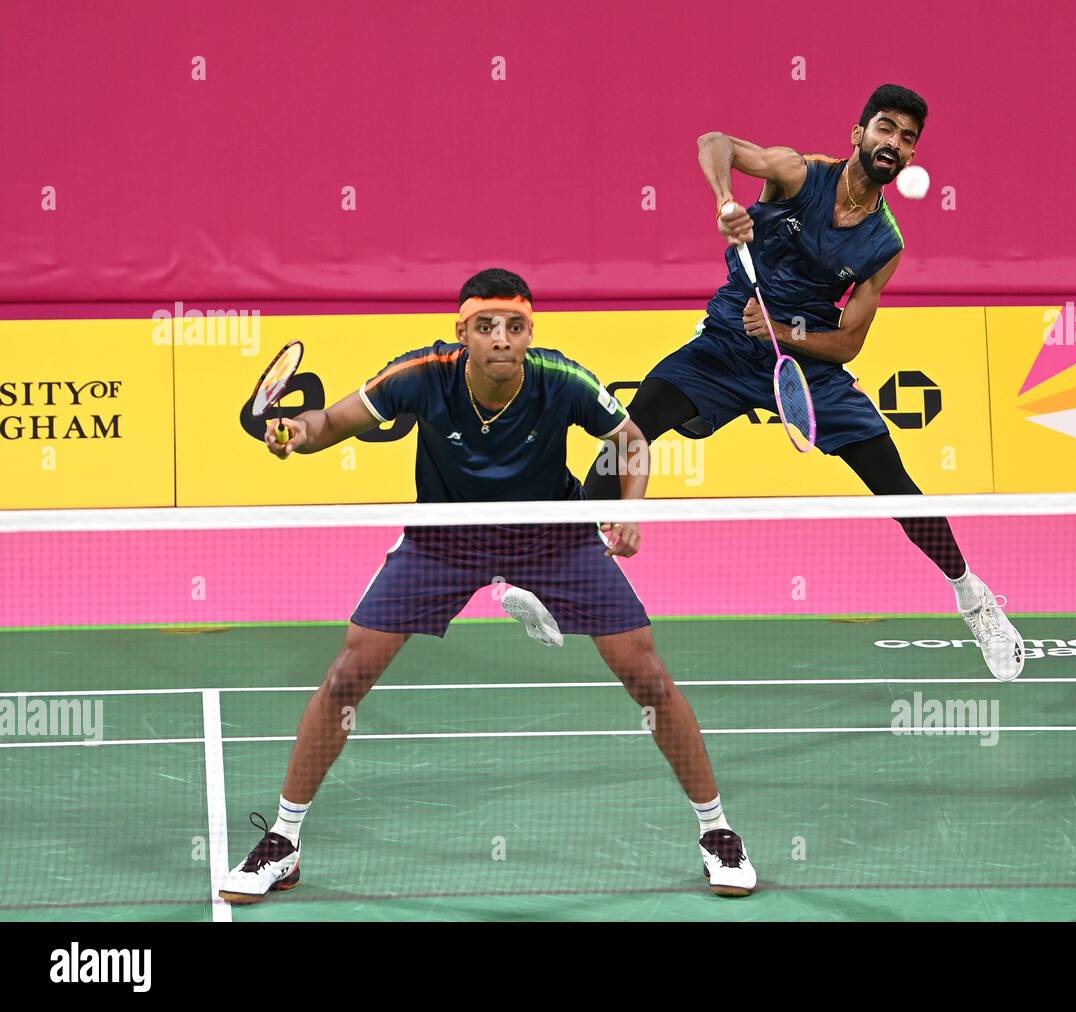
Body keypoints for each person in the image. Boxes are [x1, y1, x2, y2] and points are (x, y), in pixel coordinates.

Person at [220, 268, 756, 902]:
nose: (501, 337)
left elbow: (630, 441)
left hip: (554, 537)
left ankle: (717, 831)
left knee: (648, 676)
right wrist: (295, 433)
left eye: (514, 326)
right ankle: (283, 841)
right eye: (486, 326)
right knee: (346, 676)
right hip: (445, 538)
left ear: (530, 332)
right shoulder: (420, 375)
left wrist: (629, 509)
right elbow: (330, 423)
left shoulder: (561, 379)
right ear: (462, 332)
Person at [504, 85, 1025, 682]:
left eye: (908, 138)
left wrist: (783, 331)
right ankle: (555, 576)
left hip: (807, 363)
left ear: (910, 156)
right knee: (630, 430)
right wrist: (726, 201)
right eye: (886, 128)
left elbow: (850, 342)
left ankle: (973, 598)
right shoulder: (798, 173)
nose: (895, 143)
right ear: (859, 134)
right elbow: (715, 142)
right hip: (726, 345)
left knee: (896, 485)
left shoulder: (886, 243)